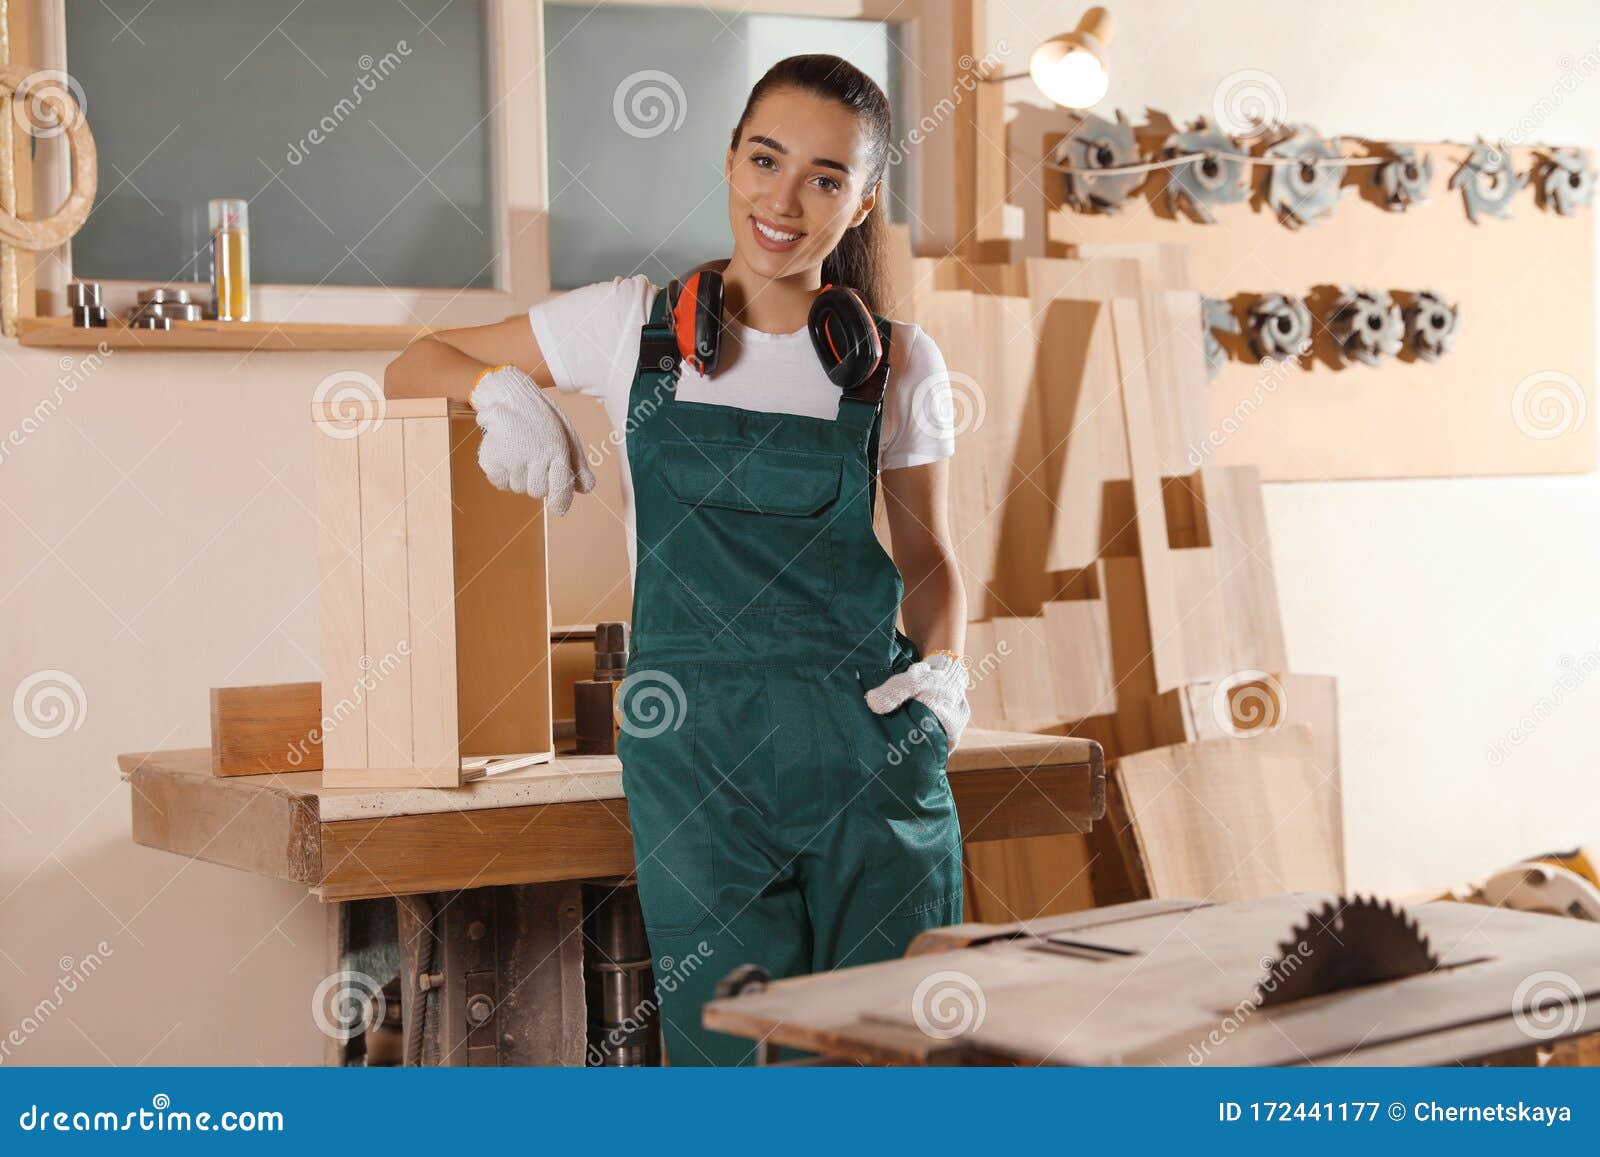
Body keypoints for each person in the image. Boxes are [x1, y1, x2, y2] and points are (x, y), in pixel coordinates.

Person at [385, 53, 971, 1066]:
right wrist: (494, 394)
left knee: (895, 1067)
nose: (782, 200)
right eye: (764, 159)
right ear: (731, 157)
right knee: (728, 1064)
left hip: (869, 754)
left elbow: (928, 555)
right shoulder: (629, 328)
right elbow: (410, 362)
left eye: (825, 178)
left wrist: (941, 686)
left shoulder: (899, 360)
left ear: (865, 198)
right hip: (695, 766)